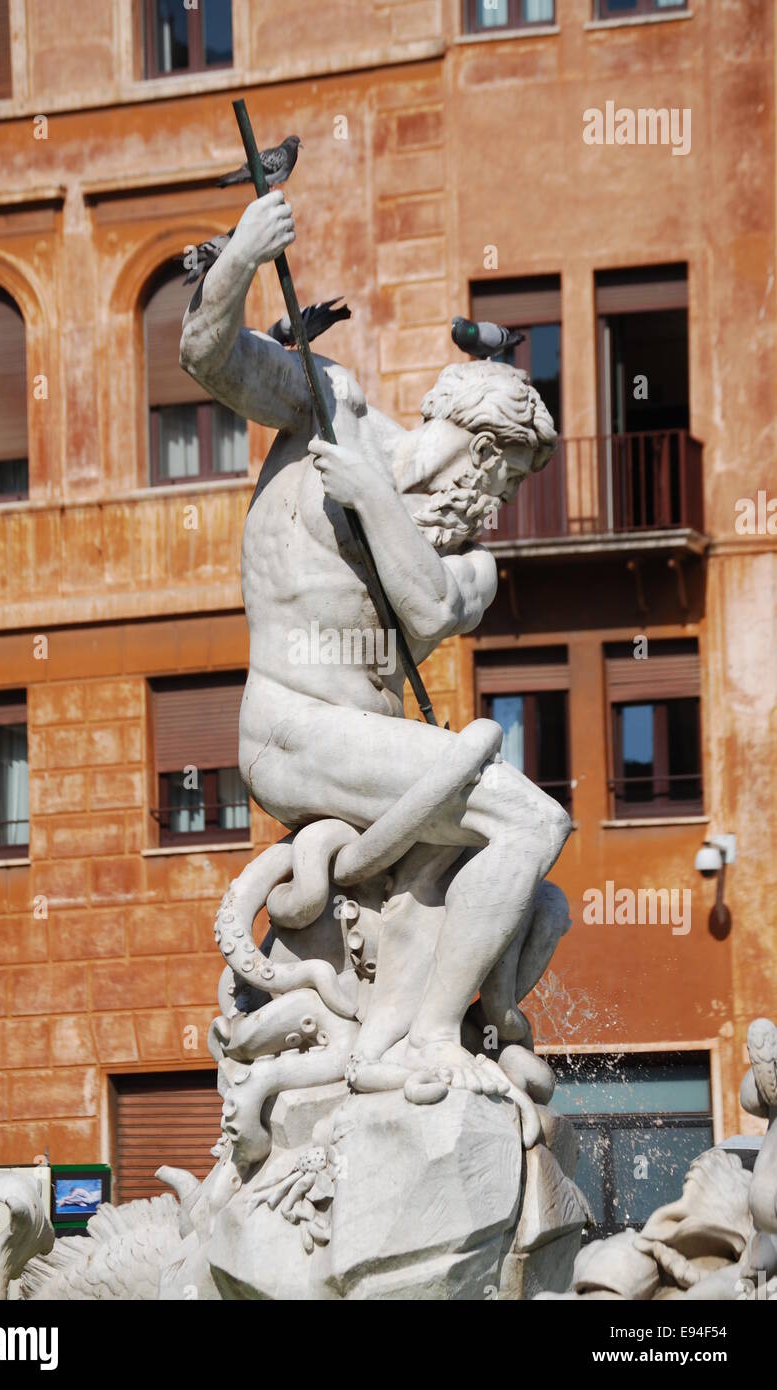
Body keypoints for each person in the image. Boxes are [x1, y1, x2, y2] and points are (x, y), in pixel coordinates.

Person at [180, 190, 571, 1093]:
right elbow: (209, 358)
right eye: (501, 477)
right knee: (529, 816)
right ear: (472, 445)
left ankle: (462, 1022)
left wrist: (377, 500)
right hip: (294, 727)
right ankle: (431, 1037)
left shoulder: (472, 564)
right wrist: (240, 257)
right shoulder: (331, 406)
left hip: (376, 755)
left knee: (534, 876)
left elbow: (430, 611)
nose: (497, 505)